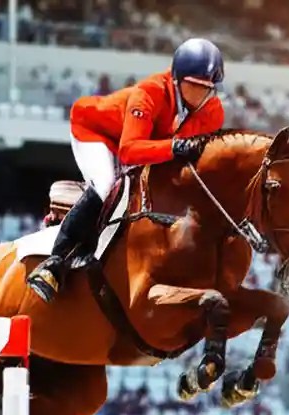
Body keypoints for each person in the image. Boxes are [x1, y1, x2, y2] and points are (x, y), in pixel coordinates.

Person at [26, 38, 227, 303]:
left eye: (207, 89)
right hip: (96, 133)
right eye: (193, 86)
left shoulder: (212, 113)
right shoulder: (150, 93)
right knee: (107, 185)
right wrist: (174, 147)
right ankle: (54, 264)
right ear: (177, 80)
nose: (199, 95)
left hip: (146, 145)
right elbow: (129, 150)